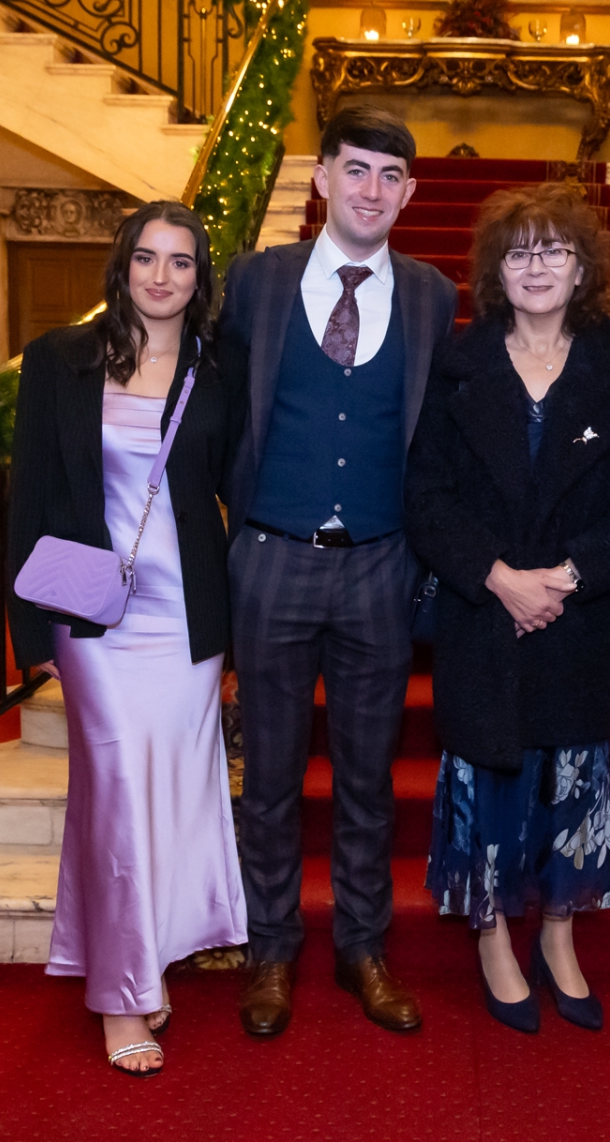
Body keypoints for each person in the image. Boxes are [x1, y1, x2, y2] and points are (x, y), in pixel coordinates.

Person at [217, 105, 457, 1037]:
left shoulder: (433, 294)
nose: (371, 189)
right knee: (269, 777)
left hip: (381, 567)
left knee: (368, 779)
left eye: (390, 176)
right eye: (354, 169)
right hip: (271, 558)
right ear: (320, 179)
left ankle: (363, 947)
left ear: (408, 192)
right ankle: (271, 950)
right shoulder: (255, 282)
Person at [406, 183, 610, 1033]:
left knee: (570, 778)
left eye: (554, 250)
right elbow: (427, 495)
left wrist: (564, 576)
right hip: (483, 615)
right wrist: (498, 576)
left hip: (576, 617)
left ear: (583, 264)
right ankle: (492, 939)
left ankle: (558, 937)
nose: (537, 267)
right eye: (520, 252)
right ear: (496, 271)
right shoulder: (456, 367)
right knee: (484, 775)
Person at [7, 201, 248, 1077]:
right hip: (93, 617)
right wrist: (31, 630)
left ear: (199, 277)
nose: (161, 276)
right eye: (146, 258)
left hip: (187, 619)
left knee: (174, 796)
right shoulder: (59, 360)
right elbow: (27, 495)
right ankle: (117, 992)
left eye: (180, 263)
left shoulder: (219, 369)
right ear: (122, 265)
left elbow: (240, 487)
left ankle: (147, 957)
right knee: (112, 793)